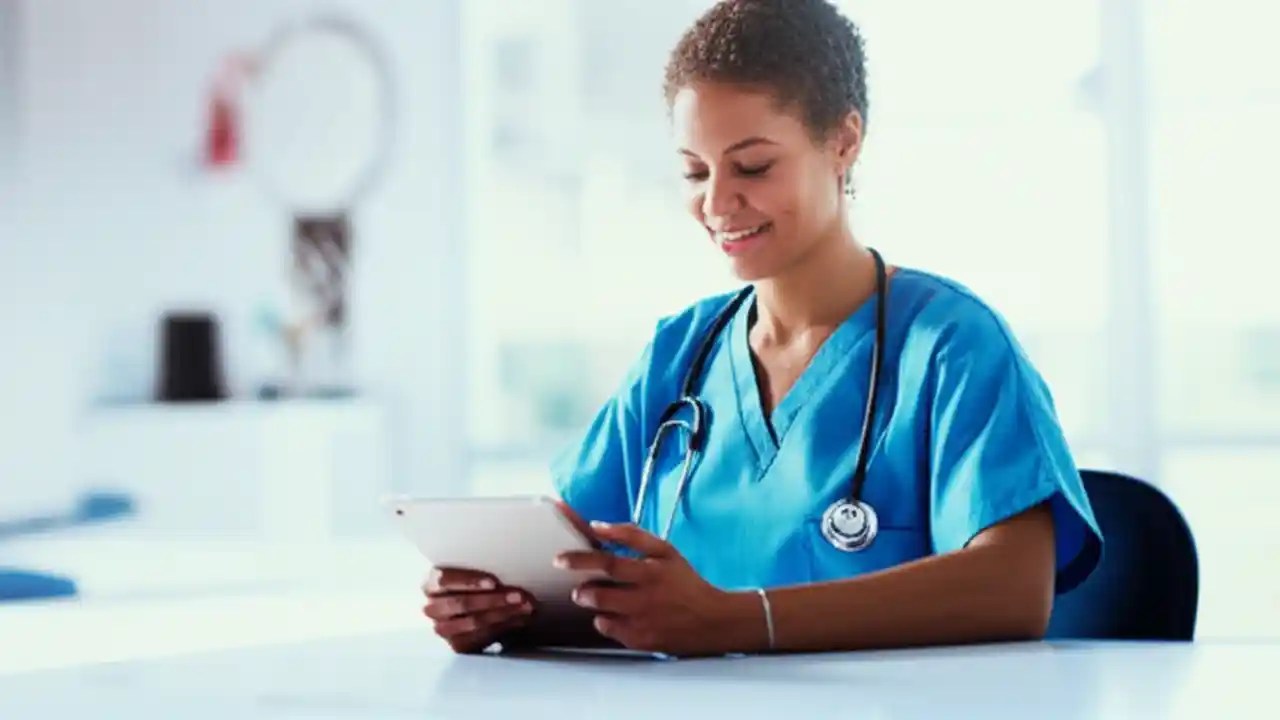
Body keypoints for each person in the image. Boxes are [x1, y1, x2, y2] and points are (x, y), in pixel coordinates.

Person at [423, 0, 1102, 657]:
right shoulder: (678, 356)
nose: (716, 202)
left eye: (752, 166)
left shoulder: (953, 346)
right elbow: (570, 560)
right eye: (695, 170)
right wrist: (500, 604)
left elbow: (1013, 589)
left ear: (843, 140)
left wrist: (736, 620)